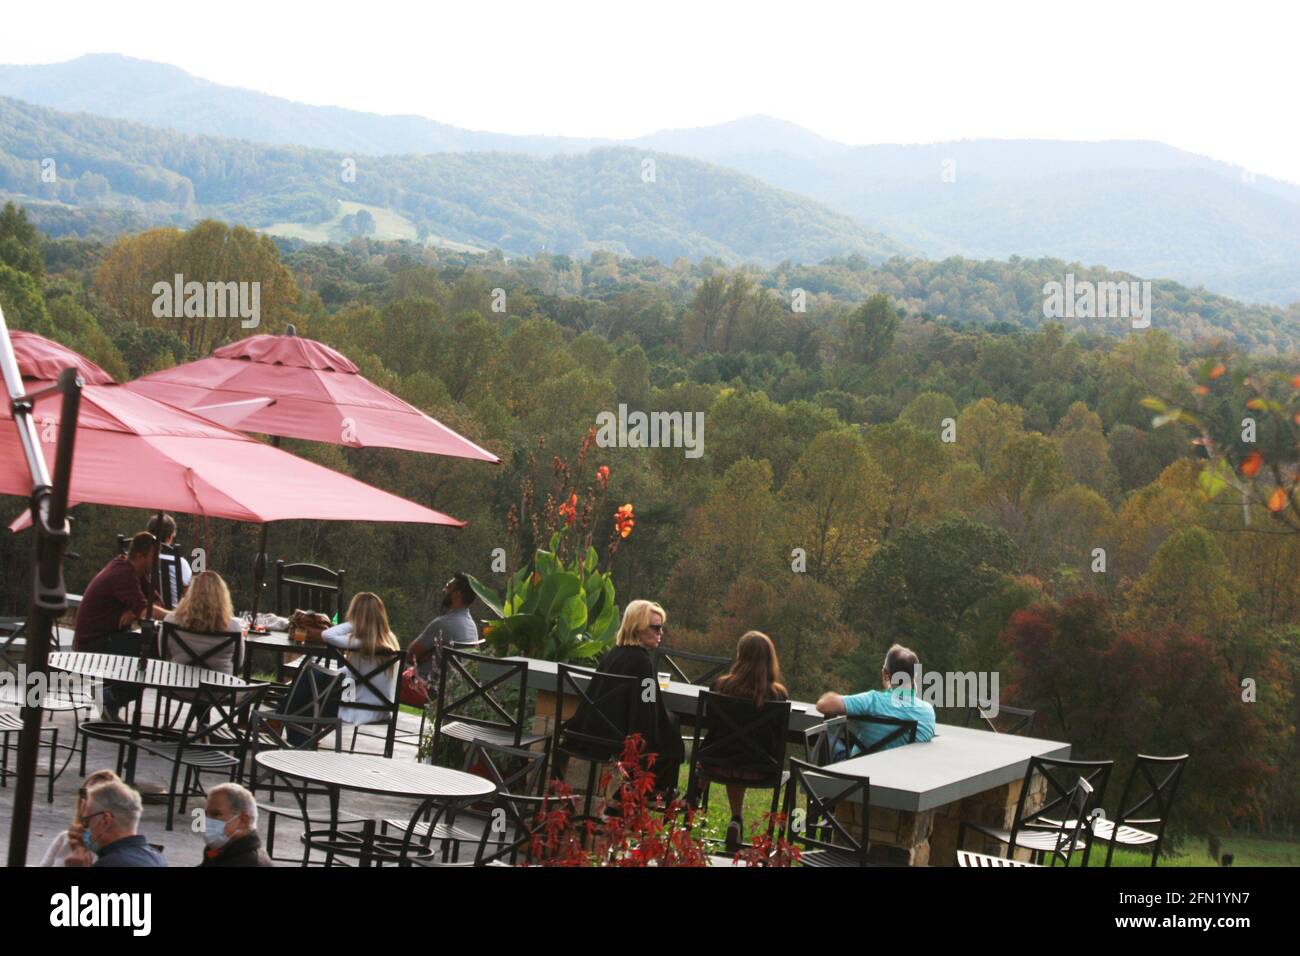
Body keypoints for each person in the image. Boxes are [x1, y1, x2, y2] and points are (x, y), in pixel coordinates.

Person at [565, 600, 684, 794]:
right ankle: (653, 793)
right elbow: (649, 706)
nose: (660, 632)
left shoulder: (613, 654)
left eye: (661, 627)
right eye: (655, 627)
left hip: (589, 735)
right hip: (619, 742)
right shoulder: (644, 663)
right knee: (671, 738)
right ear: (638, 628)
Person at [698, 631, 789, 852]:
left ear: (740, 655)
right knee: (741, 757)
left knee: (732, 755)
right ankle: (741, 823)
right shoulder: (778, 695)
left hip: (716, 763)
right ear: (770, 659)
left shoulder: (720, 687)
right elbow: (778, 735)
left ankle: (697, 799)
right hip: (760, 769)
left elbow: (712, 722)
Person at [72, 531, 168, 720]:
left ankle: (110, 698)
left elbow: (156, 603)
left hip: (105, 637)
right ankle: (110, 698)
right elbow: (148, 610)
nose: (157, 562)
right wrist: (178, 617)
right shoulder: (123, 573)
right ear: (140, 556)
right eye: (154, 557)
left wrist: (135, 610)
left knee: (151, 649)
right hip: (93, 643)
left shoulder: (133, 570)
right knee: (152, 652)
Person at [816, 643, 937, 756]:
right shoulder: (928, 712)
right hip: (900, 776)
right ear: (914, 676)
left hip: (858, 773)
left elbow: (823, 705)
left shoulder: (872, 701)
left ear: (885, 674)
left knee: (828, 734)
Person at [321, 592, 400, 728]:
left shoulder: (359, 643)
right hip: (381, 710)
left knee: (311, 685)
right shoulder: (390, 641)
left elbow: (327, 634)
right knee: (316, 682)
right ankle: (301, 737)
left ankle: (295, 734)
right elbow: (356, 672)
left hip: (355, 709)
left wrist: (354, 624)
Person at [162, 570, 245, 677]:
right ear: (223, 596)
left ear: (190, 593)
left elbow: (164, 655)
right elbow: (238, 664)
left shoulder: (171, 620)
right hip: (219, 691)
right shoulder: (234, 628)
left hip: (176, 689)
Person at [67, 780, 167, 867]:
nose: (83, 828)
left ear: (105, 820)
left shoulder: (112, 863)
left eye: (86, 821)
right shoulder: (156, 857)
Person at [38, 769, 121, 867]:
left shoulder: (117, 854)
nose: (87, 801)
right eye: (84, 794)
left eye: (97, 797)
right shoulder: (64, 839)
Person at [407, 572, 480, 682]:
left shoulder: (441, 624)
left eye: (448, 587)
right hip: (453, 691)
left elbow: (410, 657)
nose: (443, 590)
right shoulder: (471, 625)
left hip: (424, 689)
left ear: (457, 594)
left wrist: (423, 657)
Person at [198, 782, 273, 866]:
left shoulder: (247, 862)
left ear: (243, 821)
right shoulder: (221, 850)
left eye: (216, 814)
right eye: (206, 814)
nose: (207, 821)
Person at [146, 513, 192, 609]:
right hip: (173, 615)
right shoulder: (180, 562)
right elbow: (188, 595)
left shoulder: (142, 559)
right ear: (169, 537)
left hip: (147, 613)